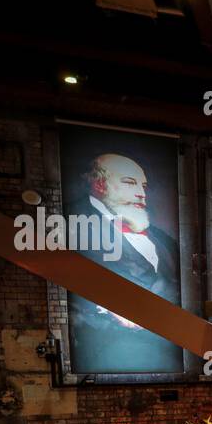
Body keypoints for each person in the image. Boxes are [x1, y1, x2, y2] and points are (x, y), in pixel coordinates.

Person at [66, 152, 181, 372]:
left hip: (166, 350)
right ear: (100, 184)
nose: (141, 194)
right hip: (105, 352)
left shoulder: (164, 240)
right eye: (130, 183)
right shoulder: (69, 223)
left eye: (144, 186)